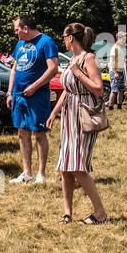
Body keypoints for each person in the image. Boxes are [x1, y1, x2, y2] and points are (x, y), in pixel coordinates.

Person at [47, 23, 109, 225]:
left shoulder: (88, 58)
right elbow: (67, 89)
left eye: (64, 36)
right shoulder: (73, 59)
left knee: (77, 166)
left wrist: (78, 72)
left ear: (71, 38)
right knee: (66, 166)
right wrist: (54, 112)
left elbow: (98, 89)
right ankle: (67, 213)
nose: (62, 40)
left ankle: (100, 213)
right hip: (68, 116)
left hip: (83, 115)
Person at [6, 14, 60, 184]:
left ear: (25, 28)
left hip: (38, 95)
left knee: (39, 133)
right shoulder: (20, 44)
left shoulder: (46, 42)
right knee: (22, 133)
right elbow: (14, 69)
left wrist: (35, 86)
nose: (16, 34)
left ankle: (41, 174)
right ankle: (27, 173)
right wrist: (9, 92)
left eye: (17, 30)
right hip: (18, 96)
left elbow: (53, 69)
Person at [108, 30, 127, 110]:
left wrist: (124, 60)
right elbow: (112, 62)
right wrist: (115, 72)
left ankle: (119, 105)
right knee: (114, 90)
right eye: (124, 38)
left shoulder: (120, 48)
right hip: (115, 71)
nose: (125, 39)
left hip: (121, 71)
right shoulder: (114, 48)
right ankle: (110, 106)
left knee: (121, 89)